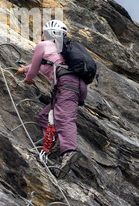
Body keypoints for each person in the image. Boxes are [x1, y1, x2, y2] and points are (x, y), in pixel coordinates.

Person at [16, 20, 87, 177]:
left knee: (64, 118)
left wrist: (28, 77)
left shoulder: (43, 45)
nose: (40, 36)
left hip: (67, 85)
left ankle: (68, 151)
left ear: (48, 33)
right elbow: (47, 63)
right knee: (44, 116)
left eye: (42, 33)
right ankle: (55, 142)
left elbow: (34, 69)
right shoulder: (62, 49)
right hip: (77, 85)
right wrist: (24, 68)